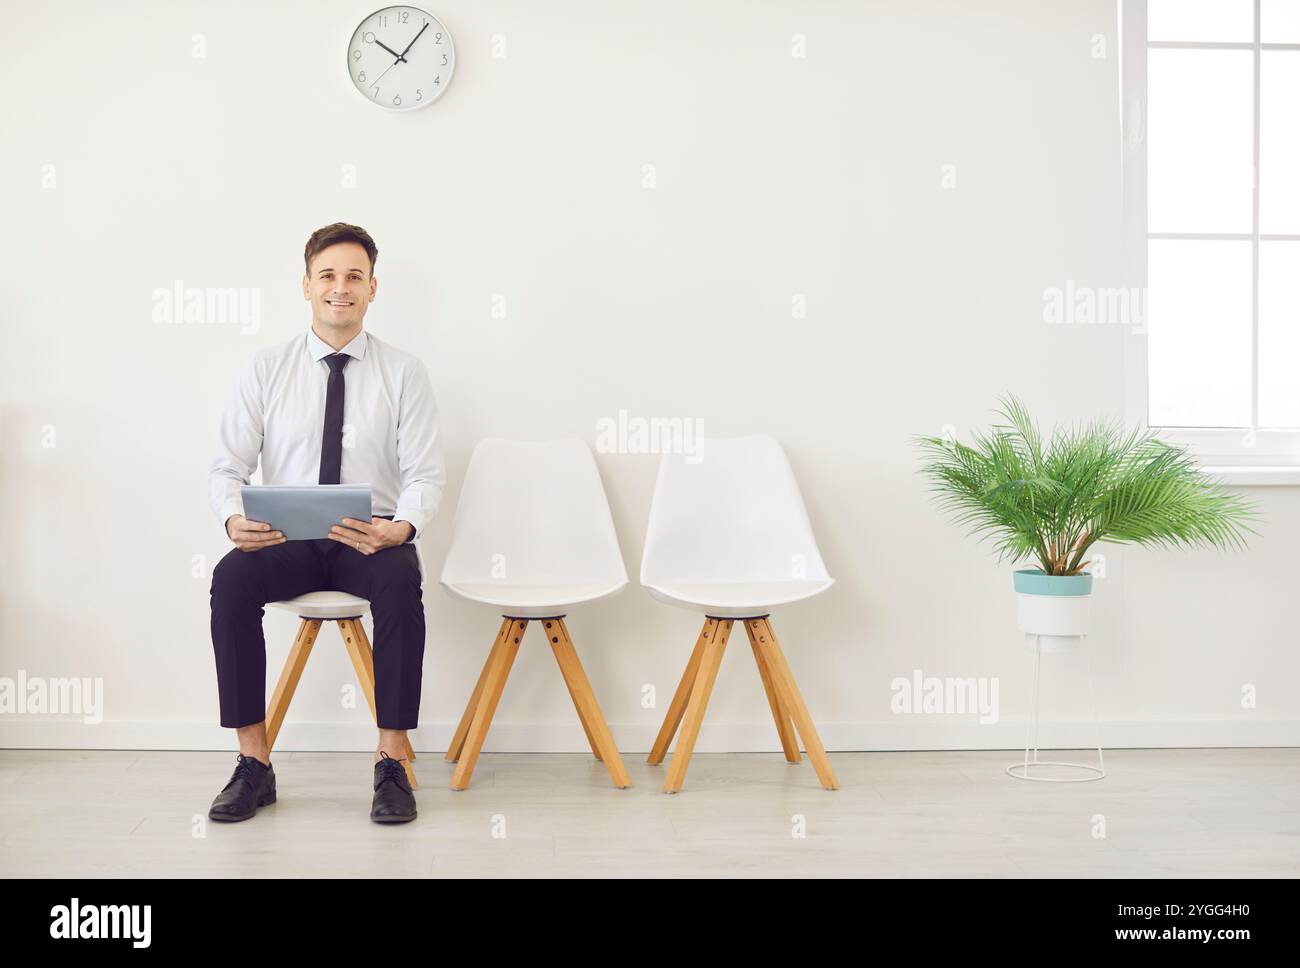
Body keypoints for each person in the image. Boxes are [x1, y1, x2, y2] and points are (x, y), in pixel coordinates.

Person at [205, 222, 445, 824]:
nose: (342, 287)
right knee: (230, 580)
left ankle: (391, 762)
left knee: (398, 581)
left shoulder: (404, 372)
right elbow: (226, 466)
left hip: (367, 537)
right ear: (307, 286)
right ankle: (253, 764)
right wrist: (234, 518)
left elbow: (426, 475)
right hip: (287, 540)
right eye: (329, 276)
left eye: (355, 277)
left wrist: (403, 527)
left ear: (372, 290)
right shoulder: (266, 368)